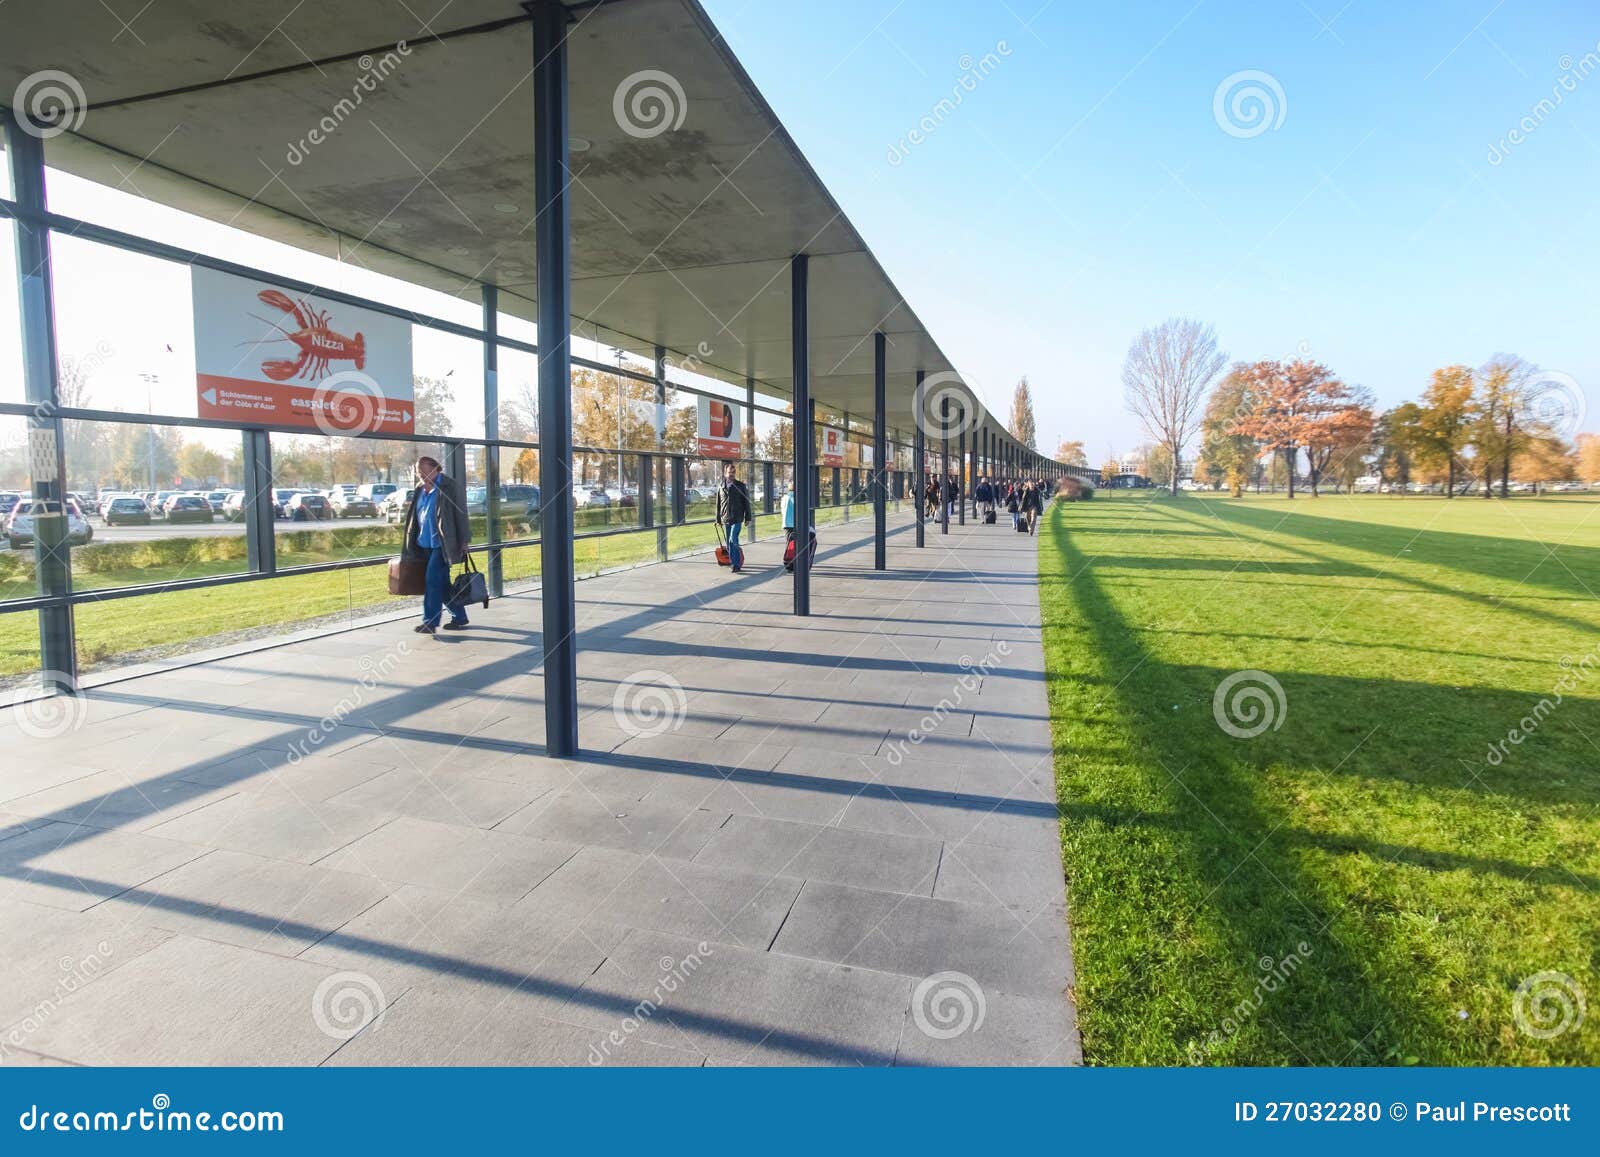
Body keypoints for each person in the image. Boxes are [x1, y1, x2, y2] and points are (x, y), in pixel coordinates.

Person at [401, 454, 471, 634]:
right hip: (423, 543)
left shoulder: (450, 486)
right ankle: (460, 616)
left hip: (443, 544)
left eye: (424, 470)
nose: (421, 475)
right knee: (442, 584)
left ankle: (430, 622)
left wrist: (464, 540)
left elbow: (461, 514)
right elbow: (414, 517)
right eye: (418, 471)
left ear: (436, 469)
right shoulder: (419, 489)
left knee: (432, 581)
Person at [714, 462, 754, 572]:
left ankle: (736, 564)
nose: (731, 474)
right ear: (725, 473)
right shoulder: (721, 487)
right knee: (728, 542)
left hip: (737, 518)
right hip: (726, 518)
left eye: (733, 472)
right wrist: (717, 519)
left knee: (733, 539)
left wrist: (748, 518)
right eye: (729, 472)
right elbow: (718, 504)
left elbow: (746, 502)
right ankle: (733, 561)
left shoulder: (741, 485)